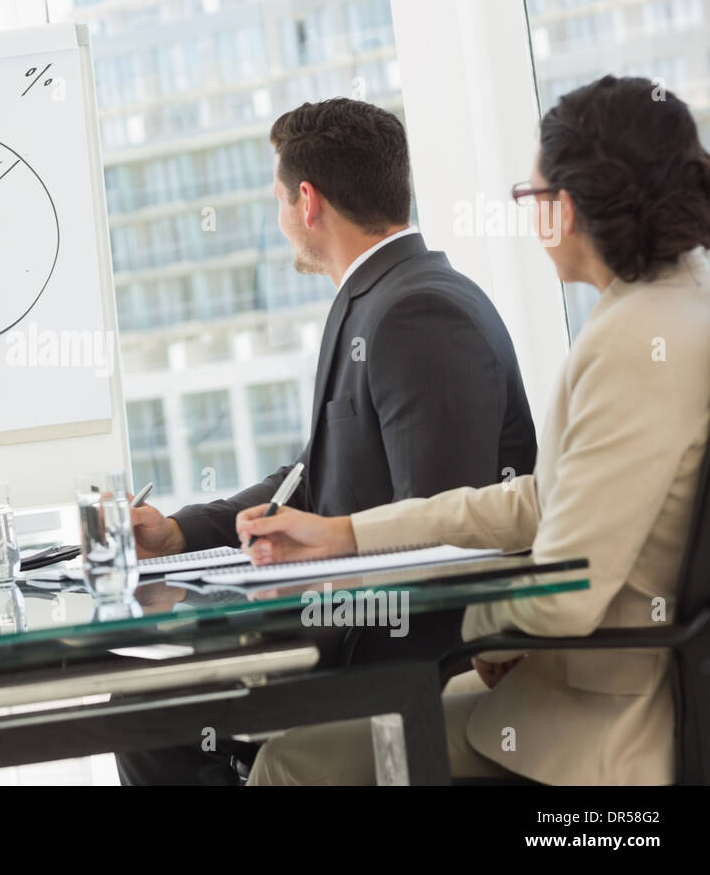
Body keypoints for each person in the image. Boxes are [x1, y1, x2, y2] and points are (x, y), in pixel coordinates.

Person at [242, 75, 710, 785]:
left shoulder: (632, 346)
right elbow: (540, 500)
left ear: (569, 210)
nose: (526, 218)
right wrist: (345, 535)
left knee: (291, 760)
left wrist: (483, 630)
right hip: (607, 686)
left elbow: (565, 598)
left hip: (604, 728)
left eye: (530, 198)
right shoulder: (668, 311)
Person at [117, 97, 538, 785]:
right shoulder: (383, 298)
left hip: (406, 669)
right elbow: (314, 480)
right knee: (149, 710)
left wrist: (294, 601)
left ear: (307, 202)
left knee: (153, 720)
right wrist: (178, 536)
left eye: (278, 200)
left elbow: (437, 533)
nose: (280, 219)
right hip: (360, 639)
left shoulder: (415, 312)